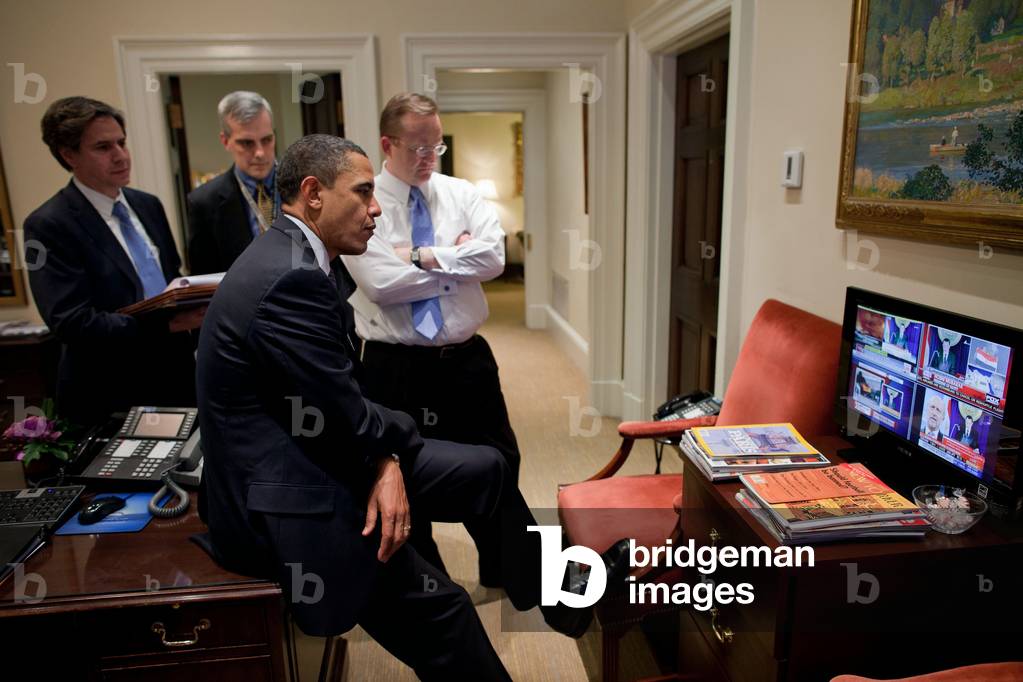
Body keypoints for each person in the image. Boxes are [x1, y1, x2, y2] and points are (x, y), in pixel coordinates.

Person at [196, 135, 624, 679]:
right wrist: (384, 457)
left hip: (322, 447)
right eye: (363, 192)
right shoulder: (290, 277)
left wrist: (386, 456)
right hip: (295, 489)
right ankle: (559, 599)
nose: (376, 208)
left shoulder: (297, 255)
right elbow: (344, 412)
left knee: (488, 467)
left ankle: (565, 598)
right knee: (445, 611)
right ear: (313, 193)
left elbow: (340, 404)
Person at [341, 93, 519, 585]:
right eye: (417, 147)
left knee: (502, 462)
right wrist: (457, 265)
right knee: (410, 478)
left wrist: (418, 255)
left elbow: (495, 261)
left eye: (435, 147)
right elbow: (379, 284)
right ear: (386, 143)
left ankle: (506, 569)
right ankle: (429, 586)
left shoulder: (460, 193)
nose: (427, 159)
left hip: (467, 361)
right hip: (396, 366)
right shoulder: (362, 200)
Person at [24, 96, 200, 426]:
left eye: (121, 142)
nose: (121, 156)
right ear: (68, 154)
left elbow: (171, 280)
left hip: (175, 380)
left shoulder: (148, 205)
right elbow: (72, 323)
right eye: (103, 147)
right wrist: (162, 326)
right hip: (108, 394)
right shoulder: (49, 224)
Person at [187, 91, 279, 275]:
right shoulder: (204, 202)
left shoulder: (304, 185)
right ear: (225, 141)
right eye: (247, 143)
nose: (260, 153)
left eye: (266, 140)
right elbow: (204, 277)